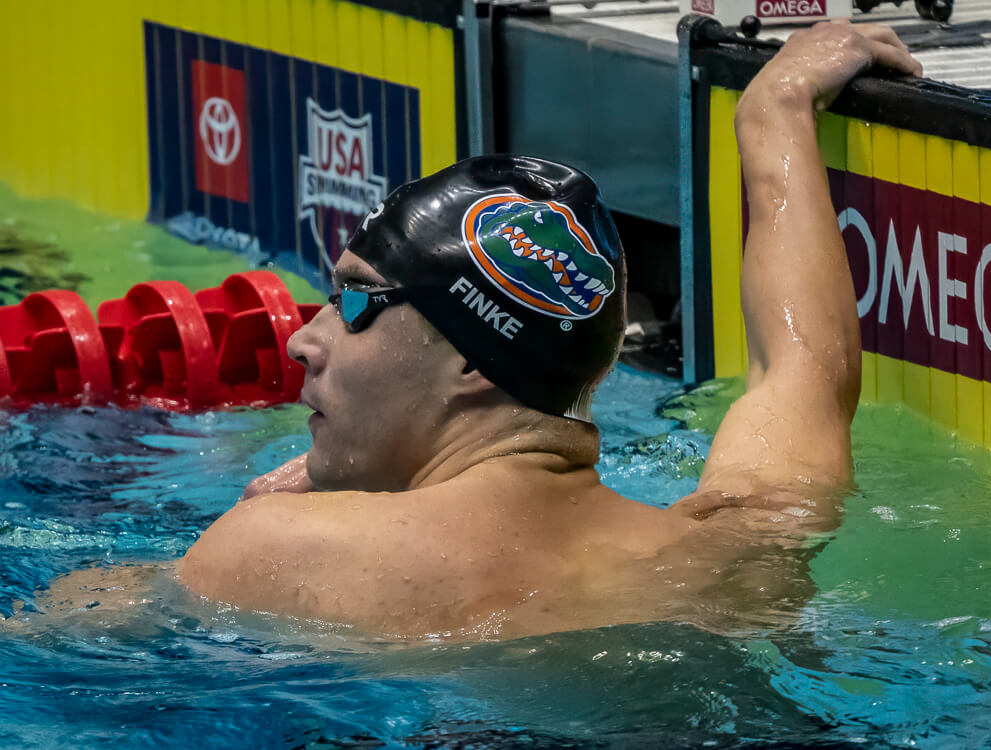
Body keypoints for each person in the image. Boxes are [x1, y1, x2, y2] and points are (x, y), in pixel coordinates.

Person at [176, 22, 921, 640]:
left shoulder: (279, 552)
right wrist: (777, 109)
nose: (304, 340)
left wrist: (258, 521)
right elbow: (806, 372)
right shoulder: (737, 555)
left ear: (473, 360)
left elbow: (110, 629)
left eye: (356, 303)